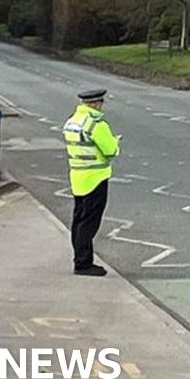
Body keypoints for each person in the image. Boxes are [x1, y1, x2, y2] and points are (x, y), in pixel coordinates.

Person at [62, 89, 121, 276]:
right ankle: (83, 263)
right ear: (96, 103)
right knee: (89, 223)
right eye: (101, 104)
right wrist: (115, 142)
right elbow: (111, 150)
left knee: (79, 220)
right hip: (96, 178)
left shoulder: (72, 122)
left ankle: (80, 258)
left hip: (78, 177)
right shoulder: (96, 124)